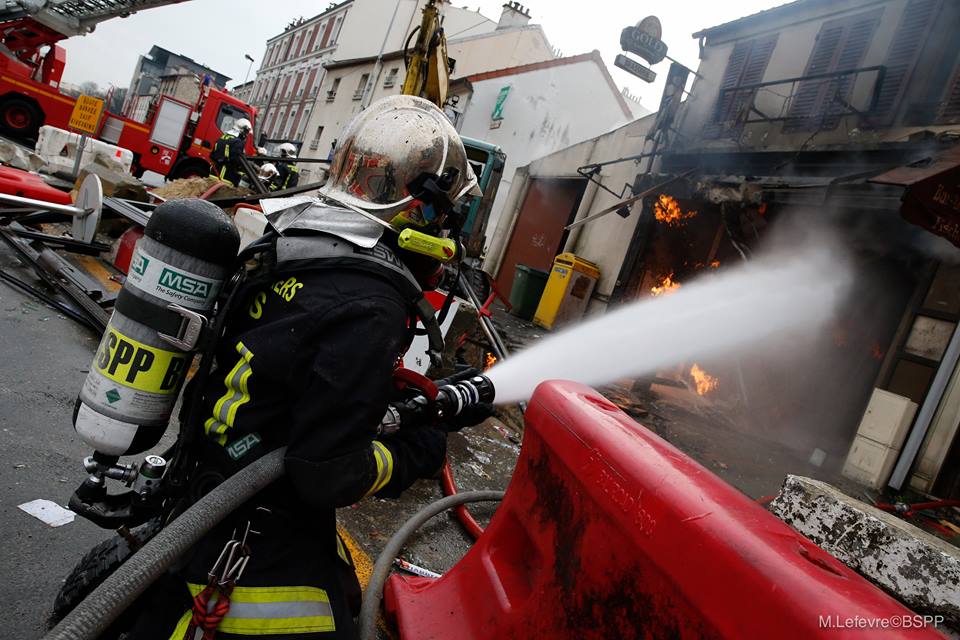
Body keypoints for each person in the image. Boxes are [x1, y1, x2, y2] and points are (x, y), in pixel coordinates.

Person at [126, 95, 485, 640]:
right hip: (254, 534)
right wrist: (420, 449)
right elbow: (328, 472)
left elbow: (299, 368)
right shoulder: (373, 302)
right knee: (338, 614)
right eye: (446, 217)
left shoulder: (295, 241)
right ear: (421, 209)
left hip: (202, 486)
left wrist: (413, 400)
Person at [209, 118, 253, 186]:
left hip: (213, 174)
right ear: (242, 130)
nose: (246, 135)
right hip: (225, 178)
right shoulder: (238, 142)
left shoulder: (223, 137)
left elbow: (212, 155)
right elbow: (236, 161)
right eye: (246, 132)